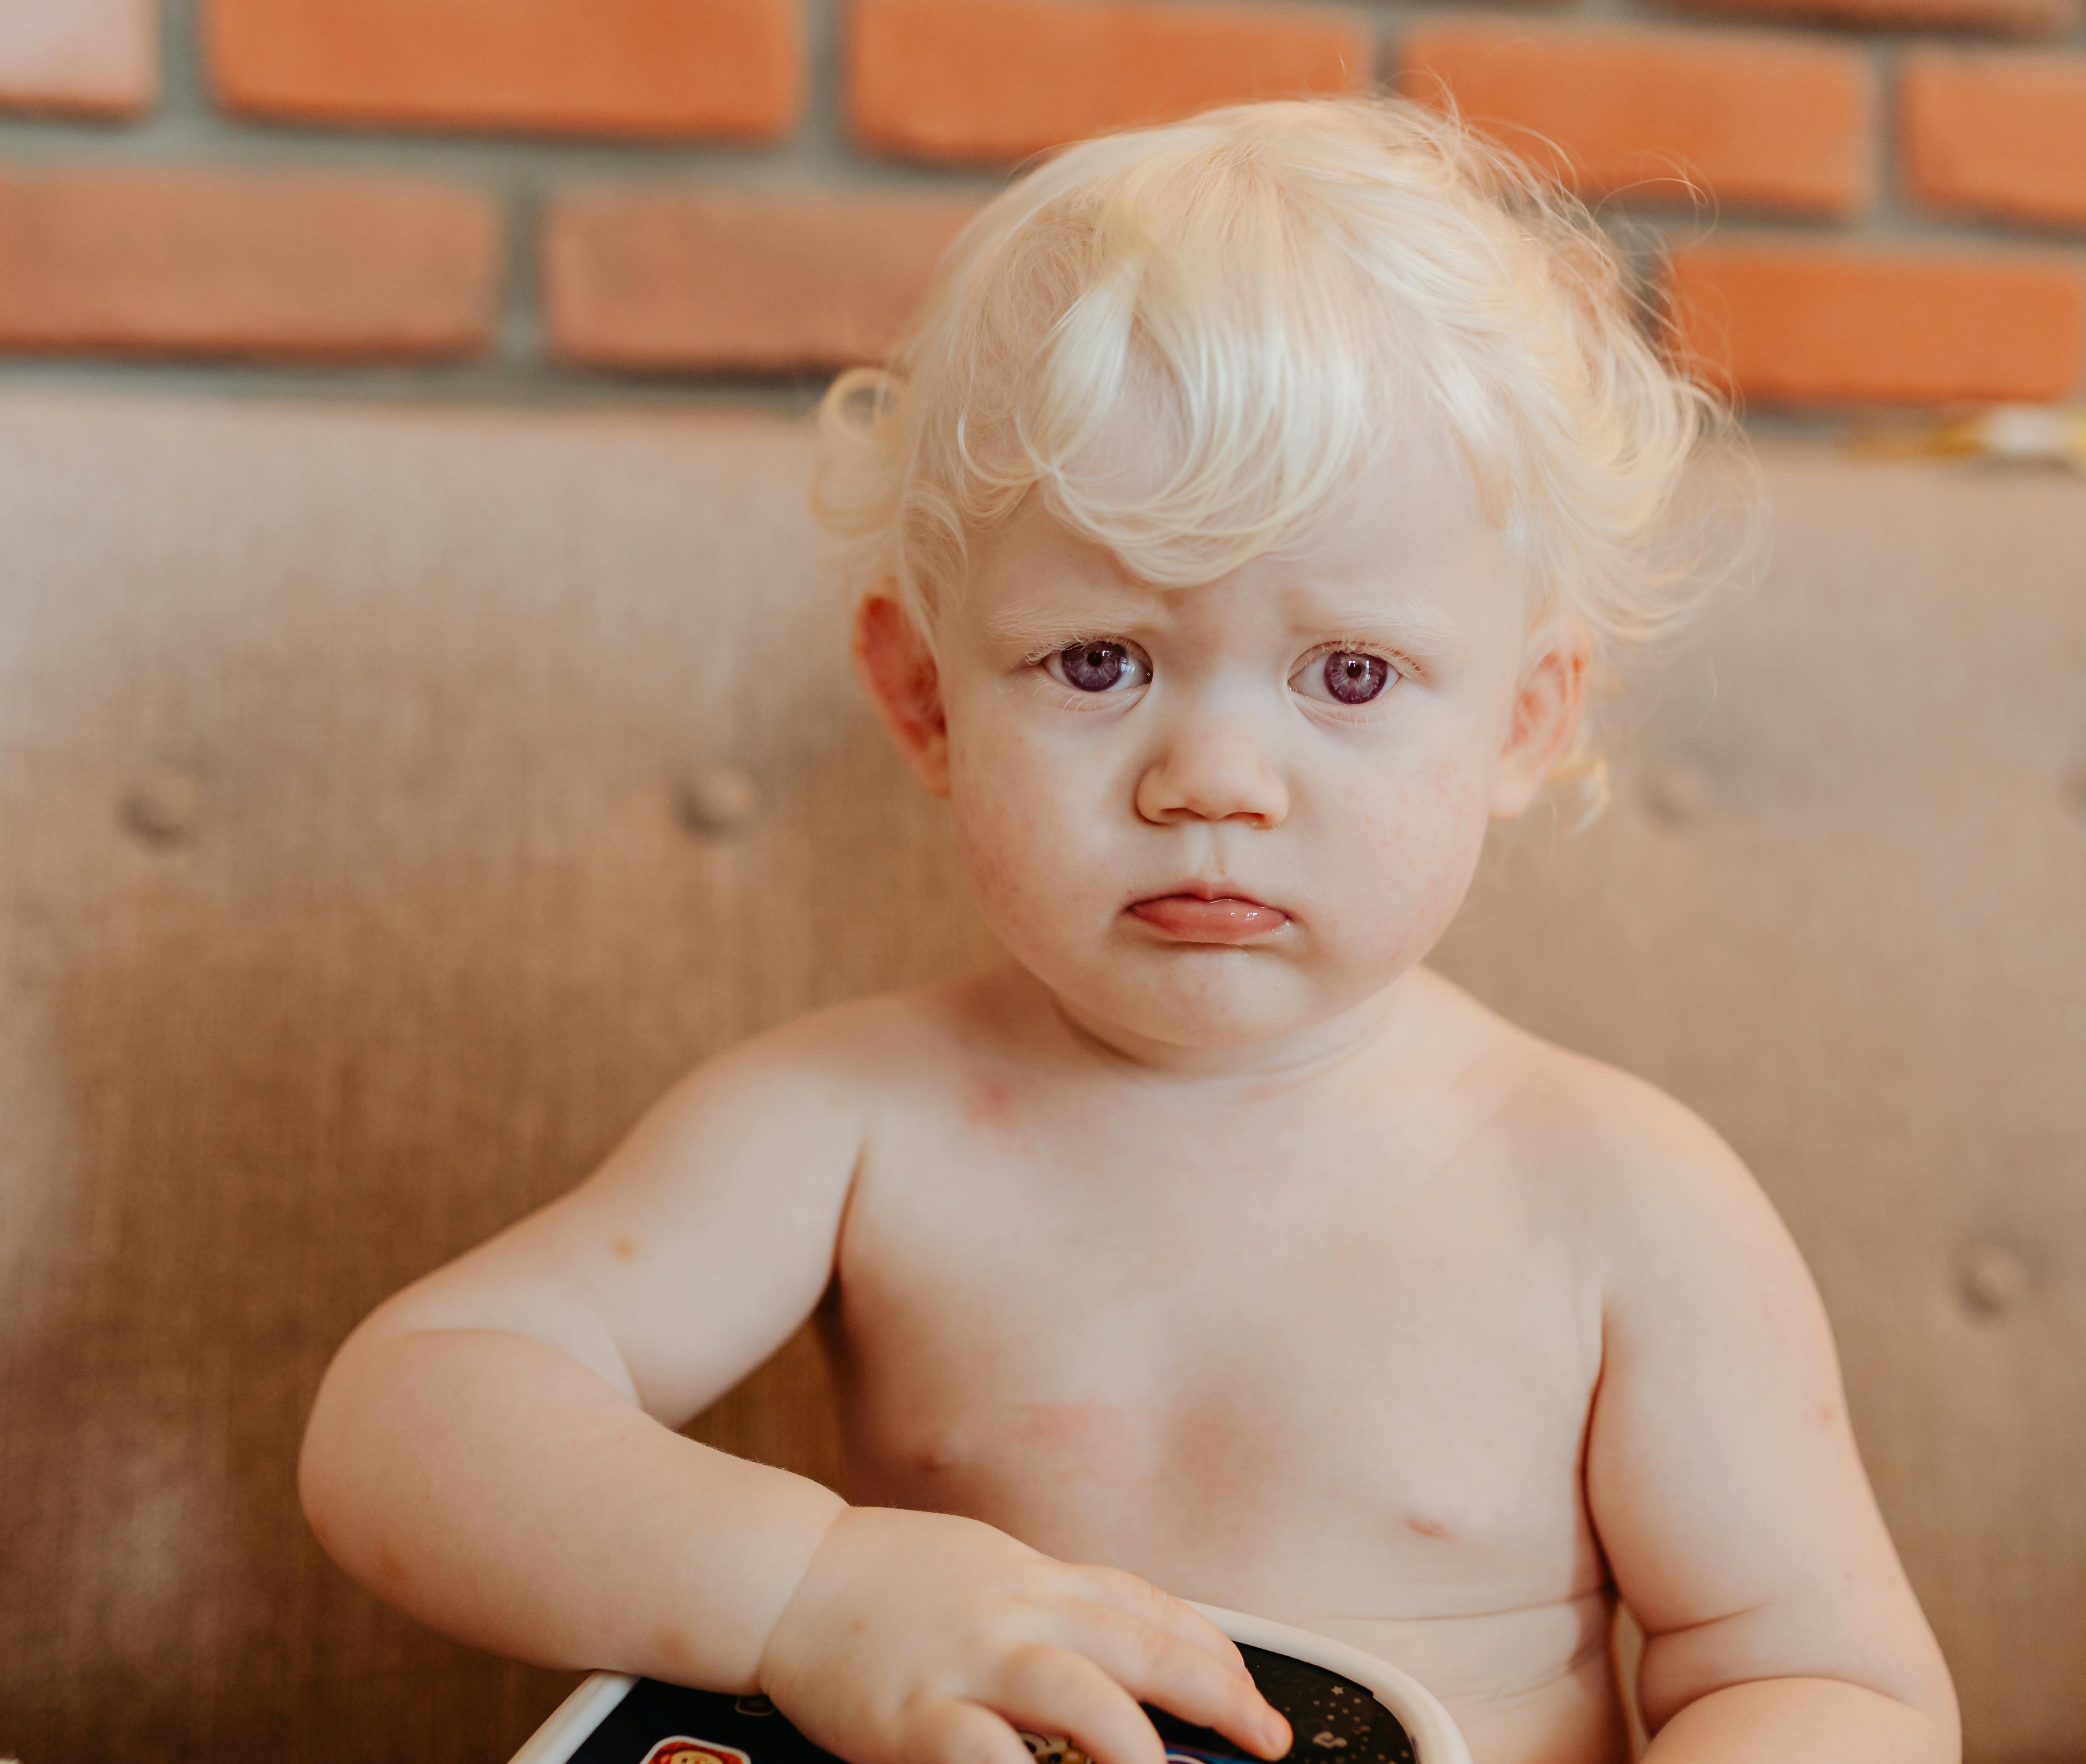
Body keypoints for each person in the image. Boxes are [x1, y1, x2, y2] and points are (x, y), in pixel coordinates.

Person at [296, 96, 1959, 1764]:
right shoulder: (847, 1125)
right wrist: (805, 1585)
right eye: (1098, 661)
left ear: (1523, 720)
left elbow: (1833, 1686)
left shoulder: (1620, 1197)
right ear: (923, 700)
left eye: (1350, 673)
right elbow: (413, 1410)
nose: (1213, 777)